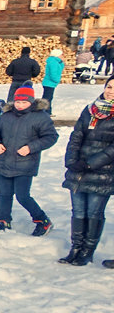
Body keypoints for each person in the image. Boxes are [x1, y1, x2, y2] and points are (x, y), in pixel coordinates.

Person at [0, 83, 58, 235]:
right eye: (18, 102)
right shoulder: (6, 116)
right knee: (5, 194)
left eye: (24, 102)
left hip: (25, 164)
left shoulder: (40, 117)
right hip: (4, 161)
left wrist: (31, 147)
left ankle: (42, 220)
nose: (20, 105)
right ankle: (4, 220)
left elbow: (51, 137)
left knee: (22, 196)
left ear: (31, 101)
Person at [61, 78, 114, 265]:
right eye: (109, 86)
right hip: (79, 170)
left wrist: (91, 163)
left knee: (93, 212)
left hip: (102, 172)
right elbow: (77, 135)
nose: (111, 91)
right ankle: (75, 247)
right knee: (78, 211)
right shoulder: (90, 110)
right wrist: (71, 160)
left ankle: (87, 251)